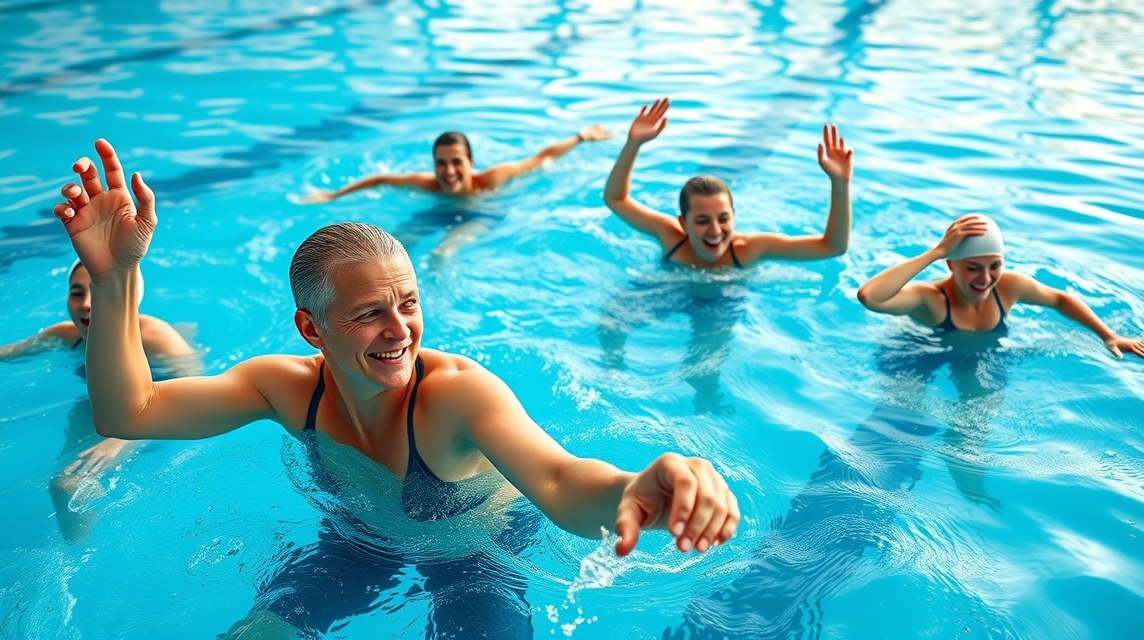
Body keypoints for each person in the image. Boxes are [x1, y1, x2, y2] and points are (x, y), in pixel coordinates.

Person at [52, 139, 739, 638]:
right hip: (355, 541)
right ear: (311, 329)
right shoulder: (285, 389)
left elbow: (559, 481)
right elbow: (128, 411)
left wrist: (635, 490)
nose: (399, 330)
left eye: (408, 303)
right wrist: (115, 282)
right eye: (368, 313)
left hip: (476, 553)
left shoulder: (456, 395)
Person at [0, 260, 196, 542]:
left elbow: (189, 396)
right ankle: (82, 545)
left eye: (98, 291)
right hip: (100, 402)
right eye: (77, 292)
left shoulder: (158, 341)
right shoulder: (65, 335)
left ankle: (86, 555)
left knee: (67, 486)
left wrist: (125, 438)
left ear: (127, 298)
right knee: (64, 486)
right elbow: (10, 352)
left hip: (152, 406)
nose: (86, 304)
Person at [602, 97, 854, 269]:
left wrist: (840, 184)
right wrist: (633, 144)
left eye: (723, 218)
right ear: (683, 223)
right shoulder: (670, 236)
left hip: (724, 304)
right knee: (611, 323)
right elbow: (615, 199)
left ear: (733, 216)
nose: (715, 230)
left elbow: (832, 247)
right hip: (668, 289)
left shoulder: (750, 249)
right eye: (702, 221)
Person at [856, 214, 1144, 359]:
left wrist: (1108, 335)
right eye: (973, 268)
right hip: (917, 351)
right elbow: (870, 296)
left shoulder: (1008, 287)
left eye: (994, 265)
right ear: (951, 264)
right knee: (903, 422)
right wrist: (936, 251)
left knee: (972, 433)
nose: (985, 278)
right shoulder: (929, 298)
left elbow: (1059, 299)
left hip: (978, 354)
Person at [300, 127, 612, 203]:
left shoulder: (491, 179)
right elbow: (381, 179)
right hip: (439, 213)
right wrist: (333, 195)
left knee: (445, 252)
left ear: (471, 163)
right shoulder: (428, 184)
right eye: (441, 164)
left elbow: (541, 158)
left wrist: (581, 137)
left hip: (484, 211)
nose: (448, 172)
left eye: (456, 163)